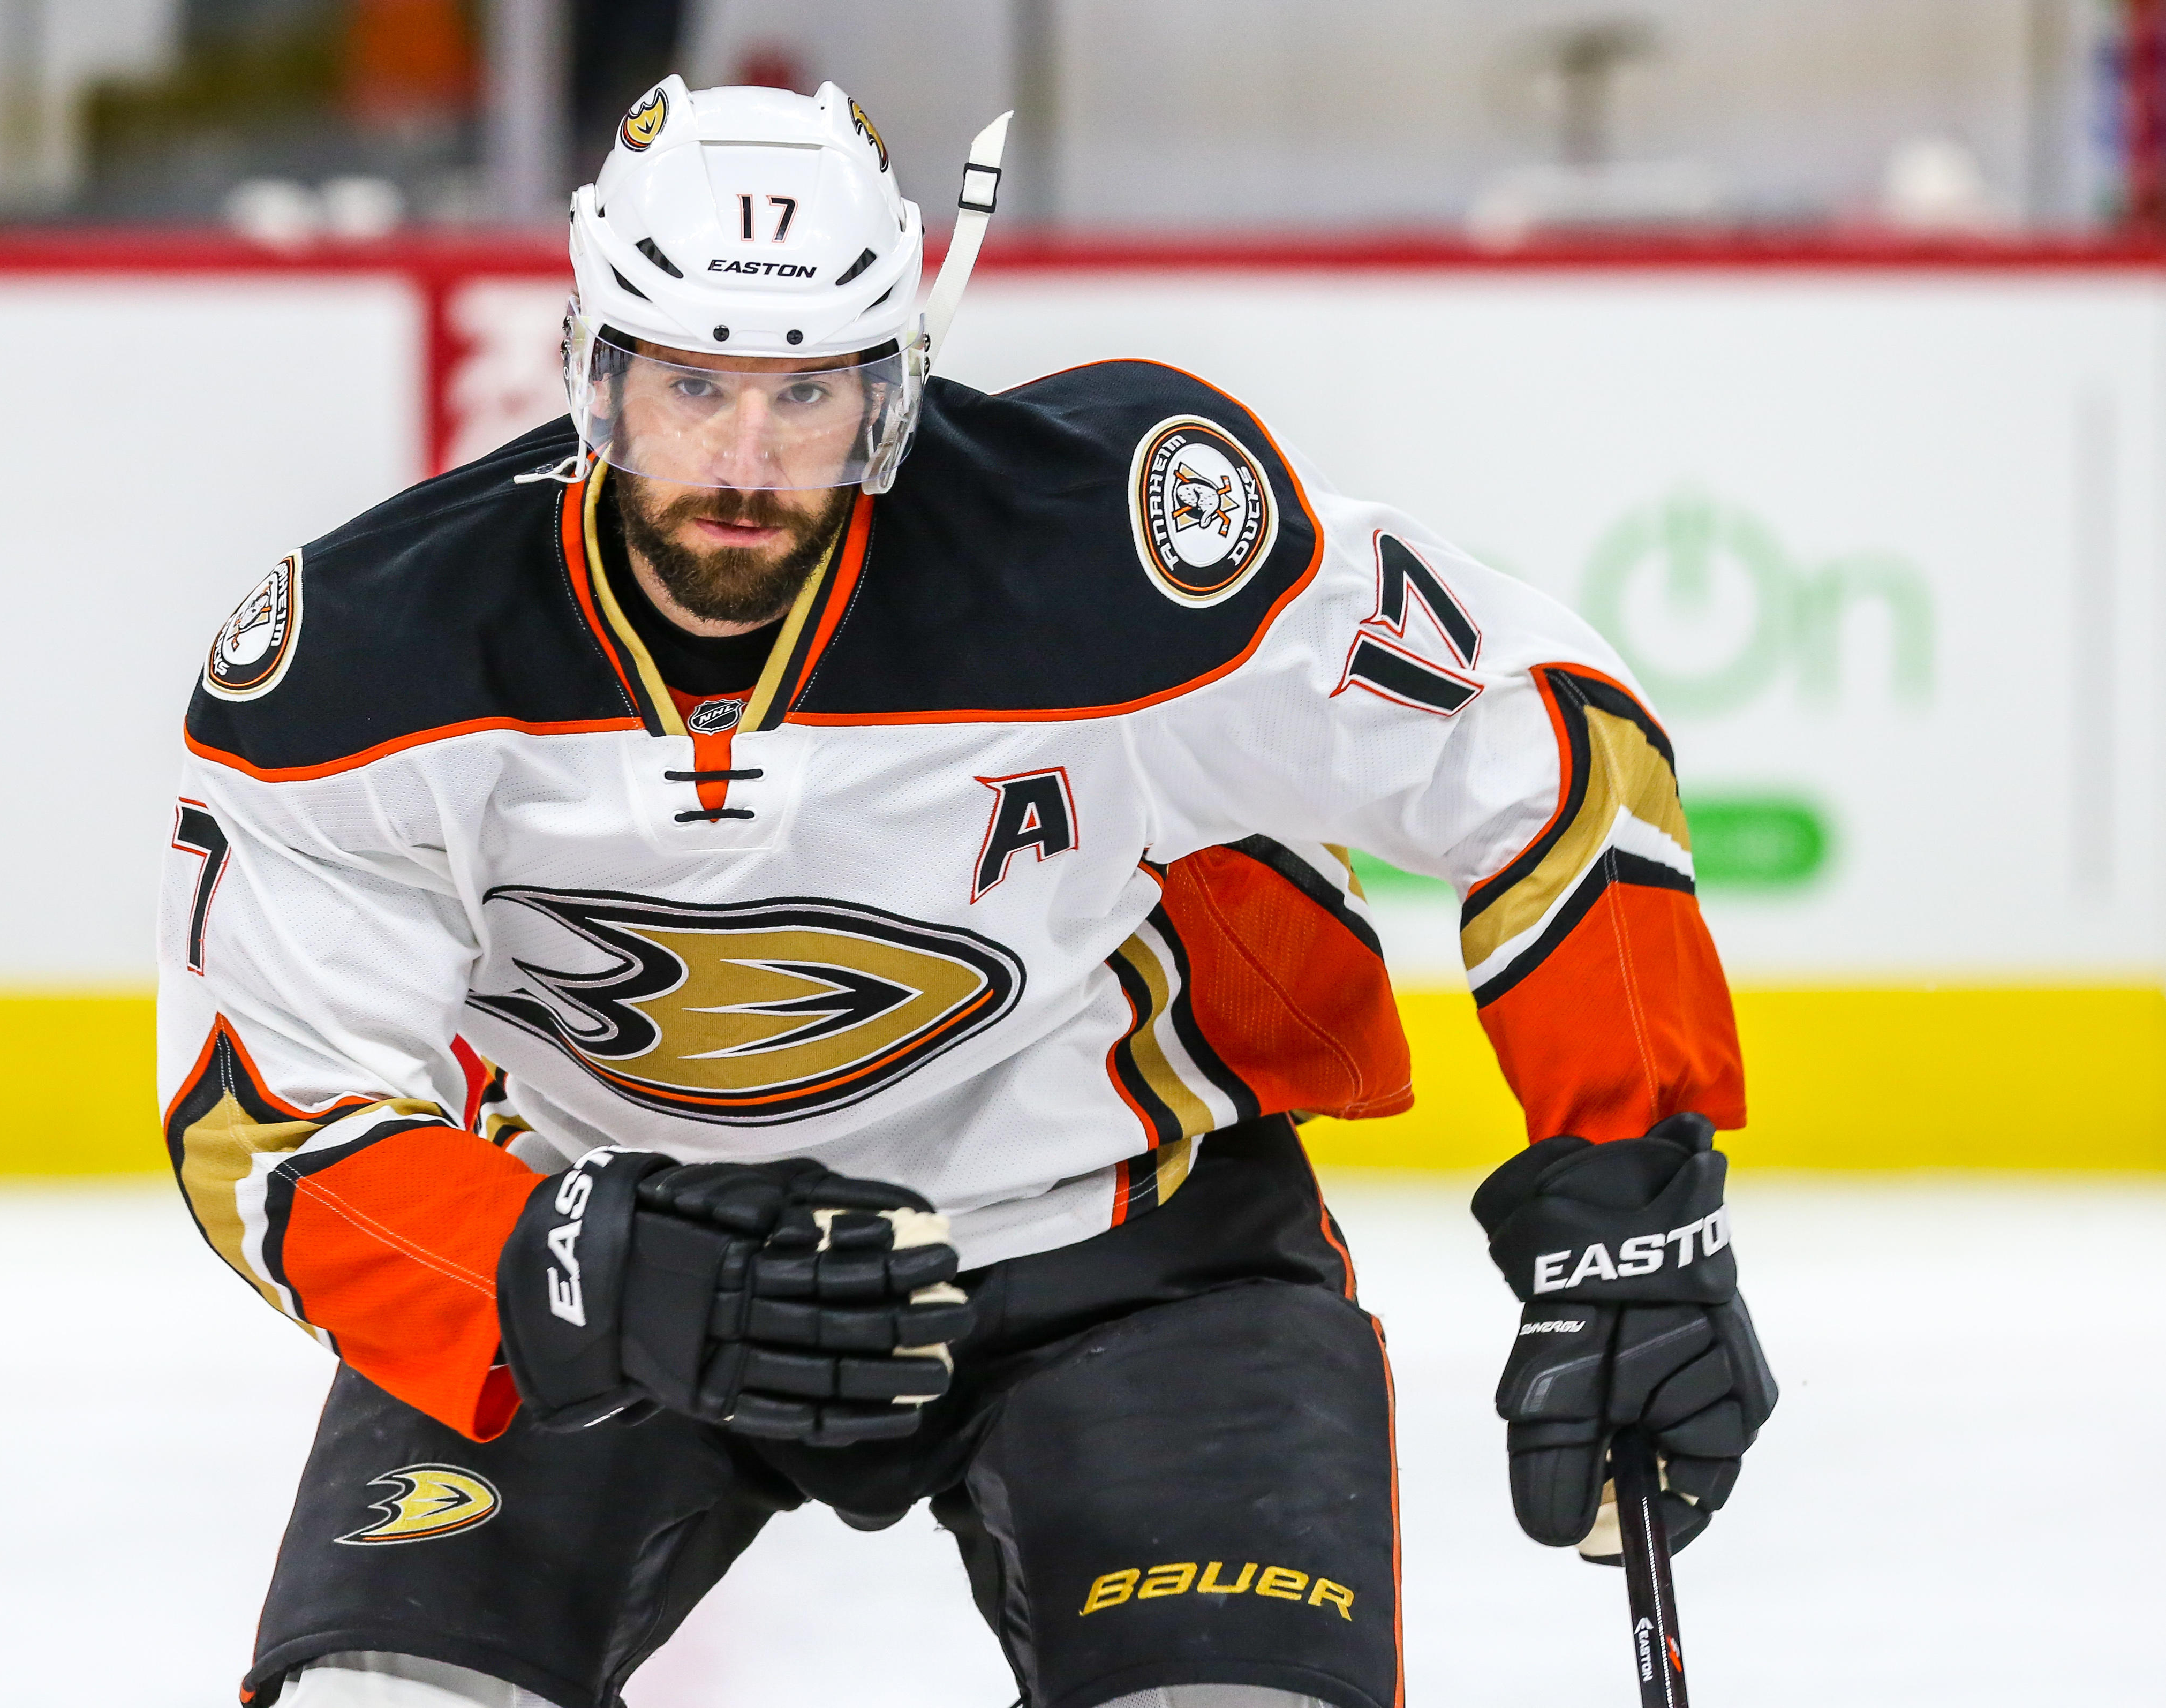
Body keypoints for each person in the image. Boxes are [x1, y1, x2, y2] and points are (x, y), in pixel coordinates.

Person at [159, 78, 1777, 1708]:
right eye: (692, 385)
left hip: (1126, 1255)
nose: (743, 462)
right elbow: (269, 1121)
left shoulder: (1114, 556)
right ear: (592, 367)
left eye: (809, 394)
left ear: (899, 382)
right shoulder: (367, 662)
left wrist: (1632, 1188)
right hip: (623, 1262)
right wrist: (566, 1275)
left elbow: (1534, 732)